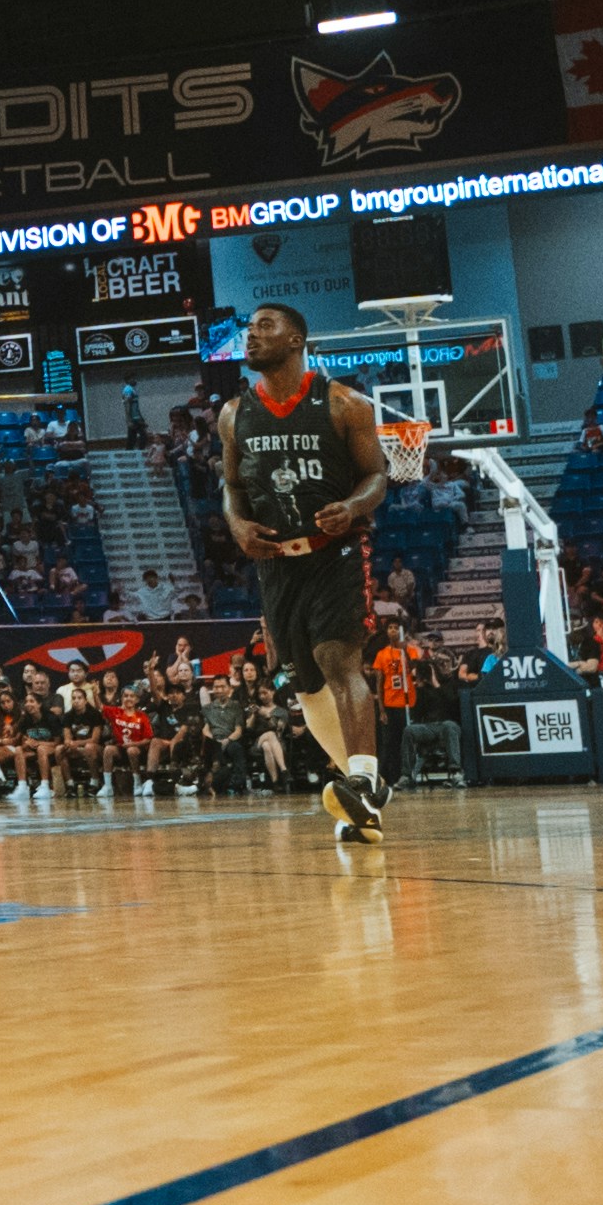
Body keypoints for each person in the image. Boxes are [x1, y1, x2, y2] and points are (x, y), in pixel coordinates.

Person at [215, 308, 395, 835]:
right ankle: (365, 801)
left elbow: (376, 475)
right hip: (276, 563)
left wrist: (355, 507)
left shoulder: (344, 404)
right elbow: (232, 487)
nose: (252, 334)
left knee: (337, 657)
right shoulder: (233, 414)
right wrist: (237, 525)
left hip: (334, 551)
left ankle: (362, 779)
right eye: (249, 328)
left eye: (265, 326)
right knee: (305, 684)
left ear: (296, 339)